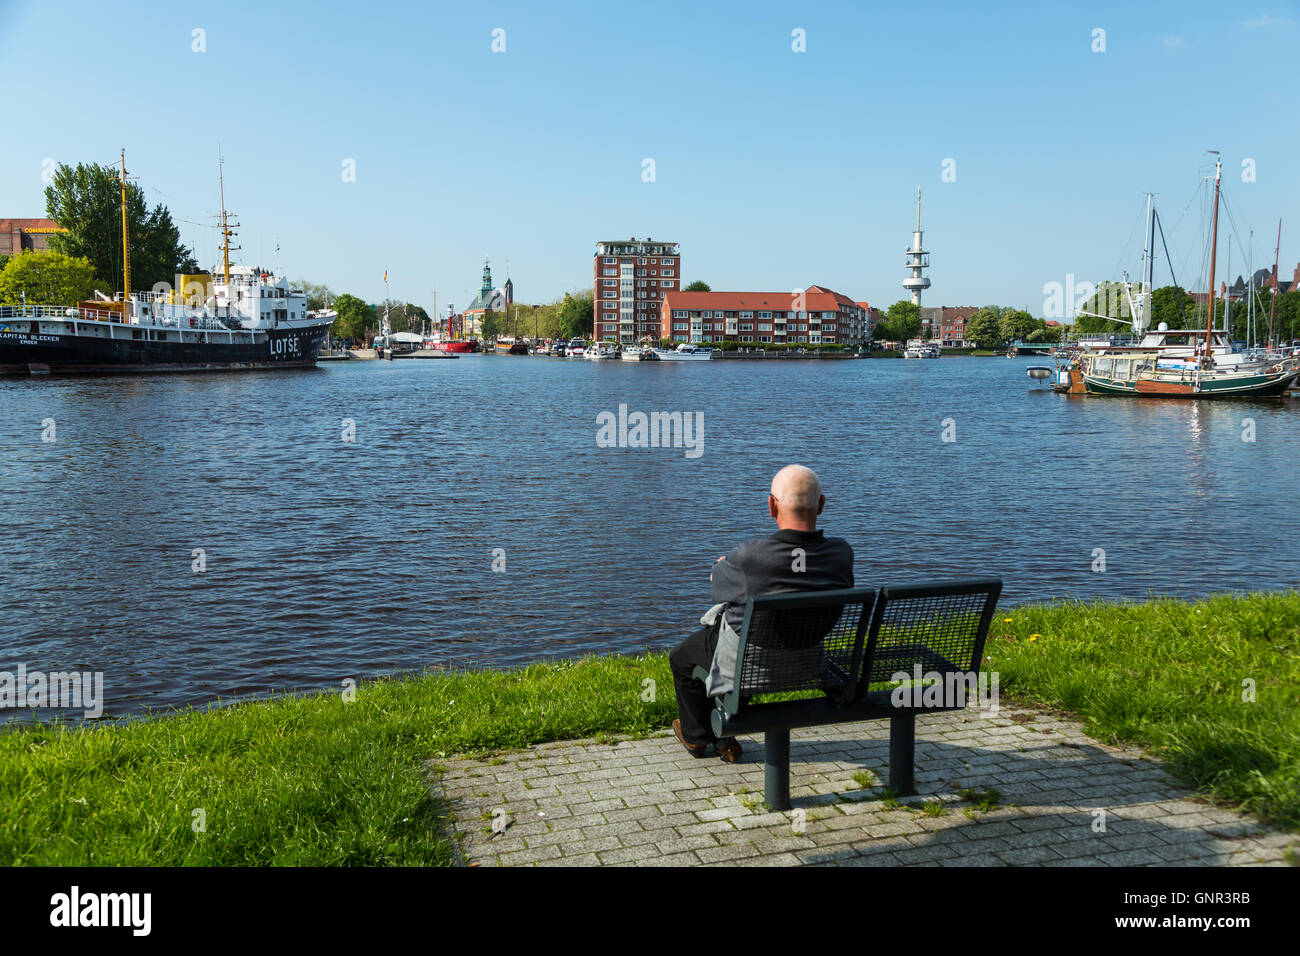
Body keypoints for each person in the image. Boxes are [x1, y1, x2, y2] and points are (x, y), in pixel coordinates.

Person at [669, 465, 854, 762]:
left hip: (750, 666)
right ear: (821, 504)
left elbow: (718, 586)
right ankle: (719, 736)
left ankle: (697, 736)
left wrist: (722, 568)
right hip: (808, 663)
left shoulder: (750, 557)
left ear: (771, 505)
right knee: (757, 640)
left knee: (682, 657)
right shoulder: (841, 554)